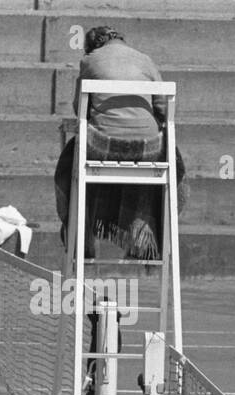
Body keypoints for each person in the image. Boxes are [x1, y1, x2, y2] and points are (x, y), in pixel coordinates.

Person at [54, 26, 187, 259]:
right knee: (174, 160)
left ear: (94, 45)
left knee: (69, 160)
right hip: (149, 148)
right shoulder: (145, 60)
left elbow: (79, 109)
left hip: (101, 145)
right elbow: (164, 109)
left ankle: (81, 240)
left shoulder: (89, 60)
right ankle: (142, 237)